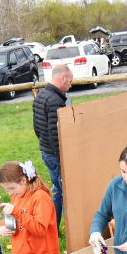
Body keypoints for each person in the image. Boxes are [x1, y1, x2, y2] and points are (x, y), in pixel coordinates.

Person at [0, 161, 58, 254]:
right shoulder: (18, 195)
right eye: (7, 190)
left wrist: (16, 212)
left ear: (23, 180)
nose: (10, 193)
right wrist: (3, 228)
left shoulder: (40, 197)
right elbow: (14, 218)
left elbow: (40, 229)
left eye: (12, 188)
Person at [33, 64, 73, 227]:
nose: (70, 85)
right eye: (70, 81)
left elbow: (37, 128)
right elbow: (55, 133)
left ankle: (53, 226)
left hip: (45, 151)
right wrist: (62, 157)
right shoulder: (55, 101)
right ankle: (71, 231)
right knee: (65, 191)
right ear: (62, 78)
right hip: (54, 155)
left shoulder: (41, 96)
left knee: (57, 190)